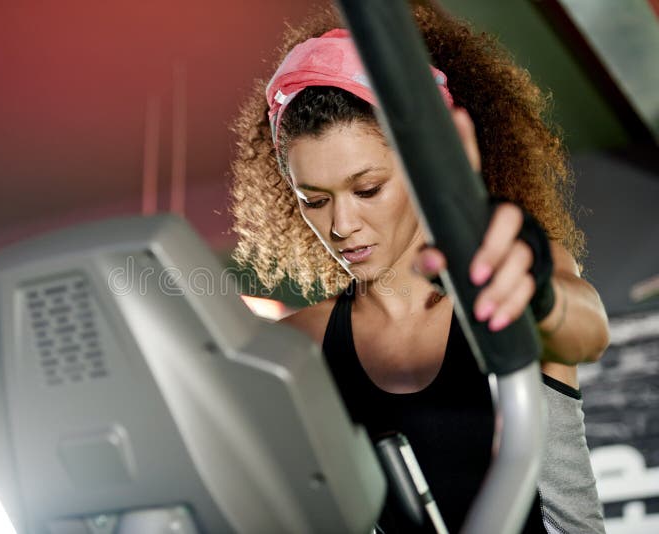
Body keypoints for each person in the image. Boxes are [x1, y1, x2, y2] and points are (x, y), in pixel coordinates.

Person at [228, 3, 611, 533]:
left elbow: (586, 332)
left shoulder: (517, 276)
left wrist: (536, 291)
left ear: (423, 170)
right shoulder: (301, 343)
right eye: (313, 199)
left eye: (368, 189)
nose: (341, 224)